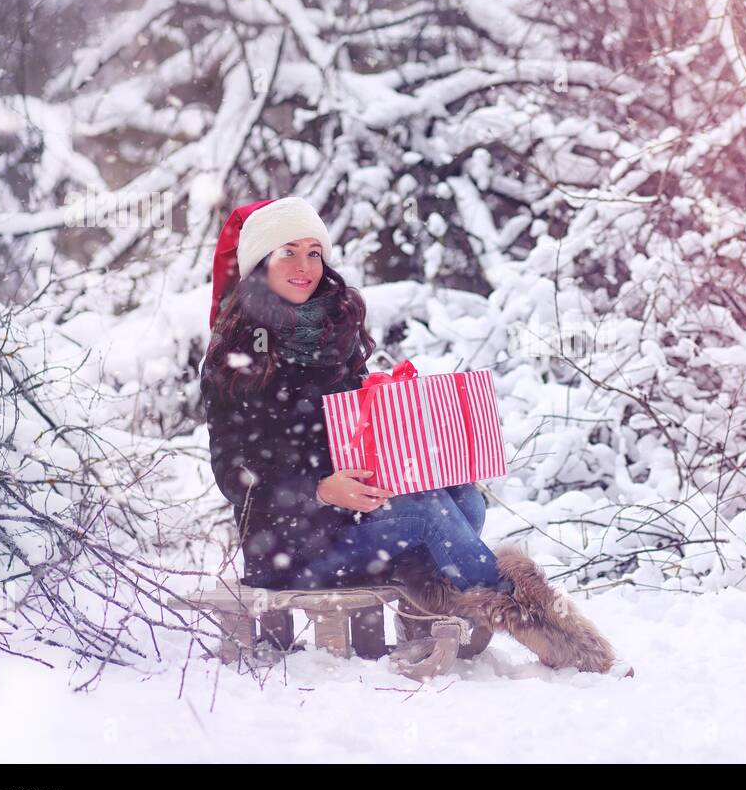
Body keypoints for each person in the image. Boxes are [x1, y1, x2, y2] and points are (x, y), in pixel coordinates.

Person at [199, 196, 618, 674]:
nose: (304, 266)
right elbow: (234, 475)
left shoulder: (333, 334)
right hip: (290, 547)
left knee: (465, 496)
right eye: (287, 252)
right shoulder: (234, 359)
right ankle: (566, 643)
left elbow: (344, 434)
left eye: (314, 252)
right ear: (259, 264)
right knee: (425, 514)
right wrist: (318, 489)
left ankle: (443, 606)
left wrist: (401, 423)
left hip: (352, 520)